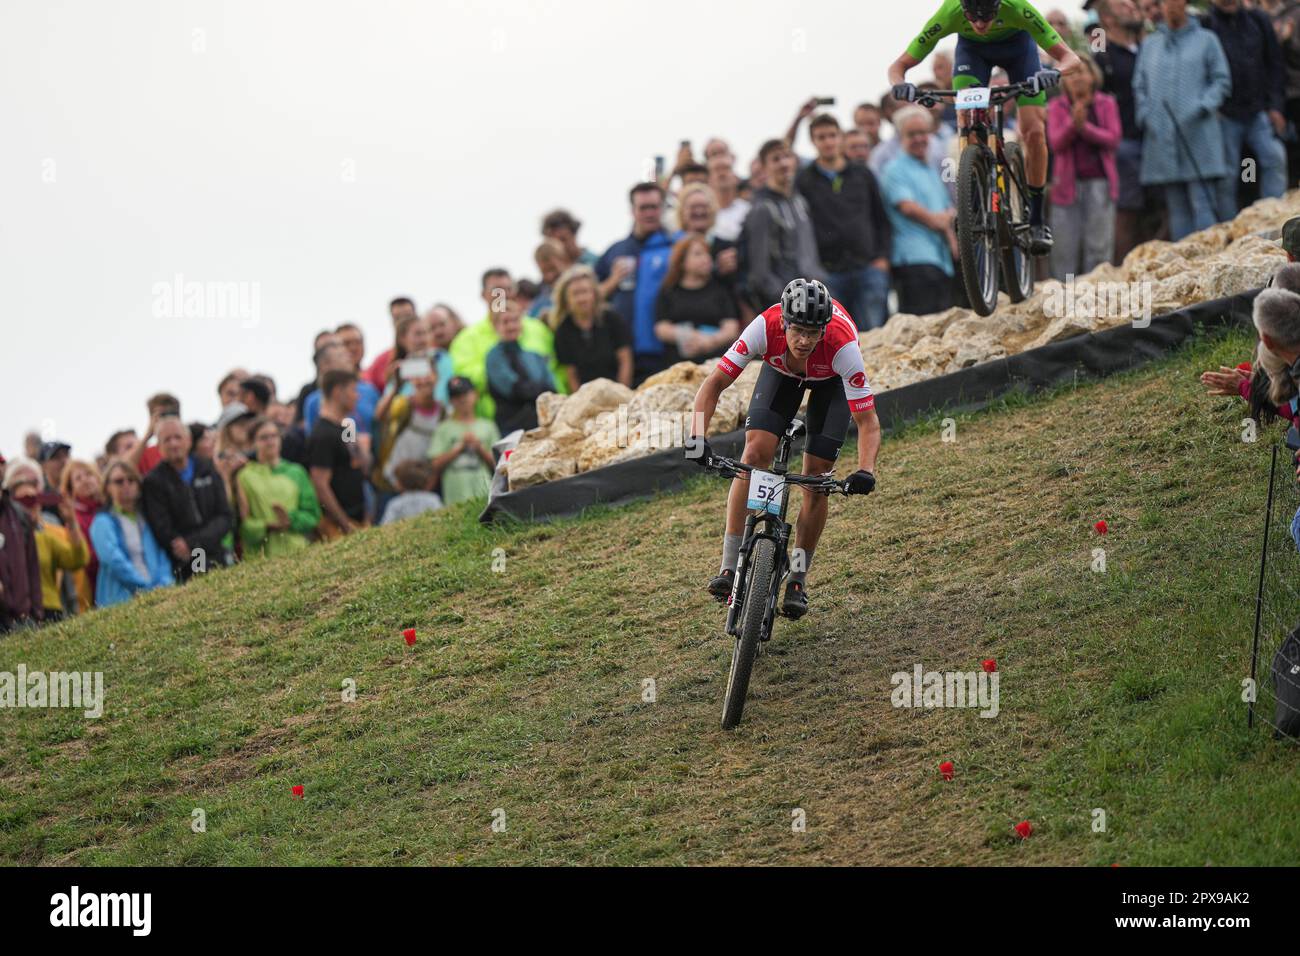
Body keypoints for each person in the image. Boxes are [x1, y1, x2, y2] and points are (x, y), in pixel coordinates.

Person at [686, 279, 880, 619]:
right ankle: (729, 567)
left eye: (813, 332)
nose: (805, 341)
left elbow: (867, 422)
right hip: (781, 374)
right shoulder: (763, 327)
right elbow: (713, 384)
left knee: (816, 480)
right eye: (798, 331)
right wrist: (695, 438)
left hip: (830, 384)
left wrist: (866, 470)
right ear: (784, 323)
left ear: (824, 328)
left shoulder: (842, 345)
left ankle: (797, 580)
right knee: (754, 456)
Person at [889, 0, 1086, 255]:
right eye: (972, 17)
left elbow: (1072, 58)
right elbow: (898, 67)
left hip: (1020, 54)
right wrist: (899, 84)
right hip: (973, 55)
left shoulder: (1017, 7)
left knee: (1034, 131)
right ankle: (977, 192)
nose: (980, 24)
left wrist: (1055, 72)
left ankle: (1036, 219)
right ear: (963, 9)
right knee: (968, 122)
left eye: (988, 16)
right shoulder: (950, 11)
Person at [1132, 0, 1231, 240]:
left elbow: (1221, 81)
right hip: (1162, 137)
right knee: (1176, 208)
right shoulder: (1150, 45)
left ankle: (1210, 259)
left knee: (1203, 203)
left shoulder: (1207, 40)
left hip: (1199, 134)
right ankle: (1185, 264)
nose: (1170, 7)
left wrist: (1202, 106)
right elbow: (1139, 86)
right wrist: (1146, 115)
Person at [795, 114, 893, 331]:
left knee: (874, 335)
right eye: (821, 137)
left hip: (869, 267)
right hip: (829, 273)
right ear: (813, 141)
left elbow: (881, 217)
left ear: (840, 137)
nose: (828, 142)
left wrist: (883, 258)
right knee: (837, 337)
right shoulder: (804, 180)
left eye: (832, 135)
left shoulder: (862, 173)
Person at [1200, 0, 1289, 219]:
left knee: (1274, 157)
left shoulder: (1258, 20)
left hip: (1258, 111)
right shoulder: (1206, 25)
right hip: (1224, 115)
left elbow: (1275, 65)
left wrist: (1275, 106)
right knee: (1228, 175)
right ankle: (1232, 230)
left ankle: (1274, 217)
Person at [595, 183, 683, 382]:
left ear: (662, 209)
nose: (650, 213)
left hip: (667, 351)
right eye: (643, 207)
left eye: (654, 207)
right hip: (623, 352)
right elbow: (591, 296)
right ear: (632, 211)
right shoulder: (616, 251)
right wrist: (612, 281)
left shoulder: (678, 246)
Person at [449, 269, 562, 421]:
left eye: (508, 289)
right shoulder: (465, 339)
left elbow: (557, 371)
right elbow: (469, 381)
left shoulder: (538, 329)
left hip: (549, 417)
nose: (503, 295)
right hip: (498, 424)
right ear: (483, 295)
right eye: (497, 291)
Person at [1047, 61, 1122, 279]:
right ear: (1064, 82)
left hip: (1100, 184)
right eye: (1070, 74)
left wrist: (1084, 128)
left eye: (1081, 72)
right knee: (1063, 251)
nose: (1077, 78)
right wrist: (1073, 124)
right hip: (1065, 187)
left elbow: (1113, 139)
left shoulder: (1106, 103)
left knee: (1099, 249)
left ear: (1093, 76)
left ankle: (1098, 300)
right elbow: (1056, 143)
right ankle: (1064, 302)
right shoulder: (1056, 106)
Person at [882, 107, 958, 316]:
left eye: (922, 133)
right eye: (911, 134)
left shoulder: (930, 169)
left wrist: (951, 238)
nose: (918, 139)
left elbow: (946, 208)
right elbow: (907, 206)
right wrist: (938, 221)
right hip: (914, 260)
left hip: (940, 260)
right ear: (900, 137)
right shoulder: (894, 169)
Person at [1092, 0, 1153, 263]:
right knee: (1127, 212)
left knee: (1157, 210)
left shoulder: (1148, 48)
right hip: (1124, 144)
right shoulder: (1102, 58)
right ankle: (1122, 273)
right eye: (1121, 4)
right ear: (1107, 18)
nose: (1131, 6)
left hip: (1156, 141)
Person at [141, 416, 232, 581]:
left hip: (216, 547)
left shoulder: (207, 467)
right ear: (159, 447)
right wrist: (187, 546)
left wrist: (194, 541)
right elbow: (162, 527)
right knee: (204, 588)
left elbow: (225, 515)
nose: (173, 444)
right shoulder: (153, 481)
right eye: (167, 439)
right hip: (183, 559)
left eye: (178, 437)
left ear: (189, 440)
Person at [743, 139, 827, 311]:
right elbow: (760, 271)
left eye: (787, 156)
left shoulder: (800, 201)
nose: (783, 163)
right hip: (788, 304)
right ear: (764, 168)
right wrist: (787, 300)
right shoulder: (762, 208)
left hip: (814, 295)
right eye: (775, 159)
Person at [7, 457, 88, 624]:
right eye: (21, 499)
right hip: (14, 615)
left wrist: (72, 522)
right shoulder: (4, 537)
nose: (28, 501)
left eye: (32, 498)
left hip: (50, 612)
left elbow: (78, 559)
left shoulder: (45, 535)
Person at [89, 460, 173, 608]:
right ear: (107, 487)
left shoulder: (148, 517)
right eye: (119, 481)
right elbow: (112, 559)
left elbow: (162, 552)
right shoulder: (102, 521)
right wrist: (144, 587)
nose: (126, 485)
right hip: (121, 601)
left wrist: (165, 583)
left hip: (160, 594)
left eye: (131, 479)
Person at [235, 418, 321, 559]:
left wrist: (290, 520)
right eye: (263, 437)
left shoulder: (296, 472)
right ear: (252, 443)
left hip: (297, 552)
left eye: (274, 436)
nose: (270, 441)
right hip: (260, 558)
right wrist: (268, 526)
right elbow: (244, 526)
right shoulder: (245, 476)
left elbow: (313, 515)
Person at [654, 235, 742, 365]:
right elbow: (661, 328)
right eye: (698, 254)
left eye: (707, 254)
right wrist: (690, 336)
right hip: (678, 365)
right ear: (682, 262)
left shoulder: (719, 290)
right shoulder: (668, 291)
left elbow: (731, 328)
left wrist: (710, 342)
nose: (706, 259)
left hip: (714, 364)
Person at [306, 369, 369, 539]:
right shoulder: (323, 434)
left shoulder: (346, 426)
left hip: (358, 519)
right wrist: (345, 523)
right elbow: (320, 484)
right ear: (337, 392)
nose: (357, 396)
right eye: (353, 390)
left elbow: (360, 465)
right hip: (339, 527)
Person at [550, 265, 634, 390]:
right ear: (566, 299)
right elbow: (572, 374)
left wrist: (621, 397)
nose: (582, 298)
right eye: (575, 294)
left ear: (594, 293)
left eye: (585, 292)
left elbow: (625, 360)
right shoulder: (563, 331)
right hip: (587, 397)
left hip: (619, 392)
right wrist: (581, 402)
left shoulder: (612, 319)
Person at [485, 291, 557, 434]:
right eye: (505, 322)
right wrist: (538, 390)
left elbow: (551, 387)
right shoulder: (493, 357)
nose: (511, 326)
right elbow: (513, 389)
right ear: (495, 326)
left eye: (515, 320)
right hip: (513, 428)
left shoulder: (533, 356)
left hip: (543, 423)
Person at [430, 377, 500, 506]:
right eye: (456, 396)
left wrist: (479, 448)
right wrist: (458, 448)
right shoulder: (443, 428)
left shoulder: (488, 426)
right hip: (453, 497)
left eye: (465, 393)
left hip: (484, 495)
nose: (462, 399)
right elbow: (434, 464)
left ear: (475, 395)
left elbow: (500, 464)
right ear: (450, 401)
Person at [0, 458, 43, 631]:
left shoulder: (19, 514)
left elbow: (32, 567)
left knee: (26, 659)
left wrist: (37, 614)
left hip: (23, 620)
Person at [59, 458, 103, 611]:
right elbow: (86, 559)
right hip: (94, 587)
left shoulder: (110, 506)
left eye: (89, 474)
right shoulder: (74, 520)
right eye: (78, 478)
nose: (85, 480)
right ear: (71, 490)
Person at [380, 459, 444, 526]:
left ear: (401, 483)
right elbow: (440, 519)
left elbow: (386, 525)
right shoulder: (433, 498)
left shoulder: (395, 504)